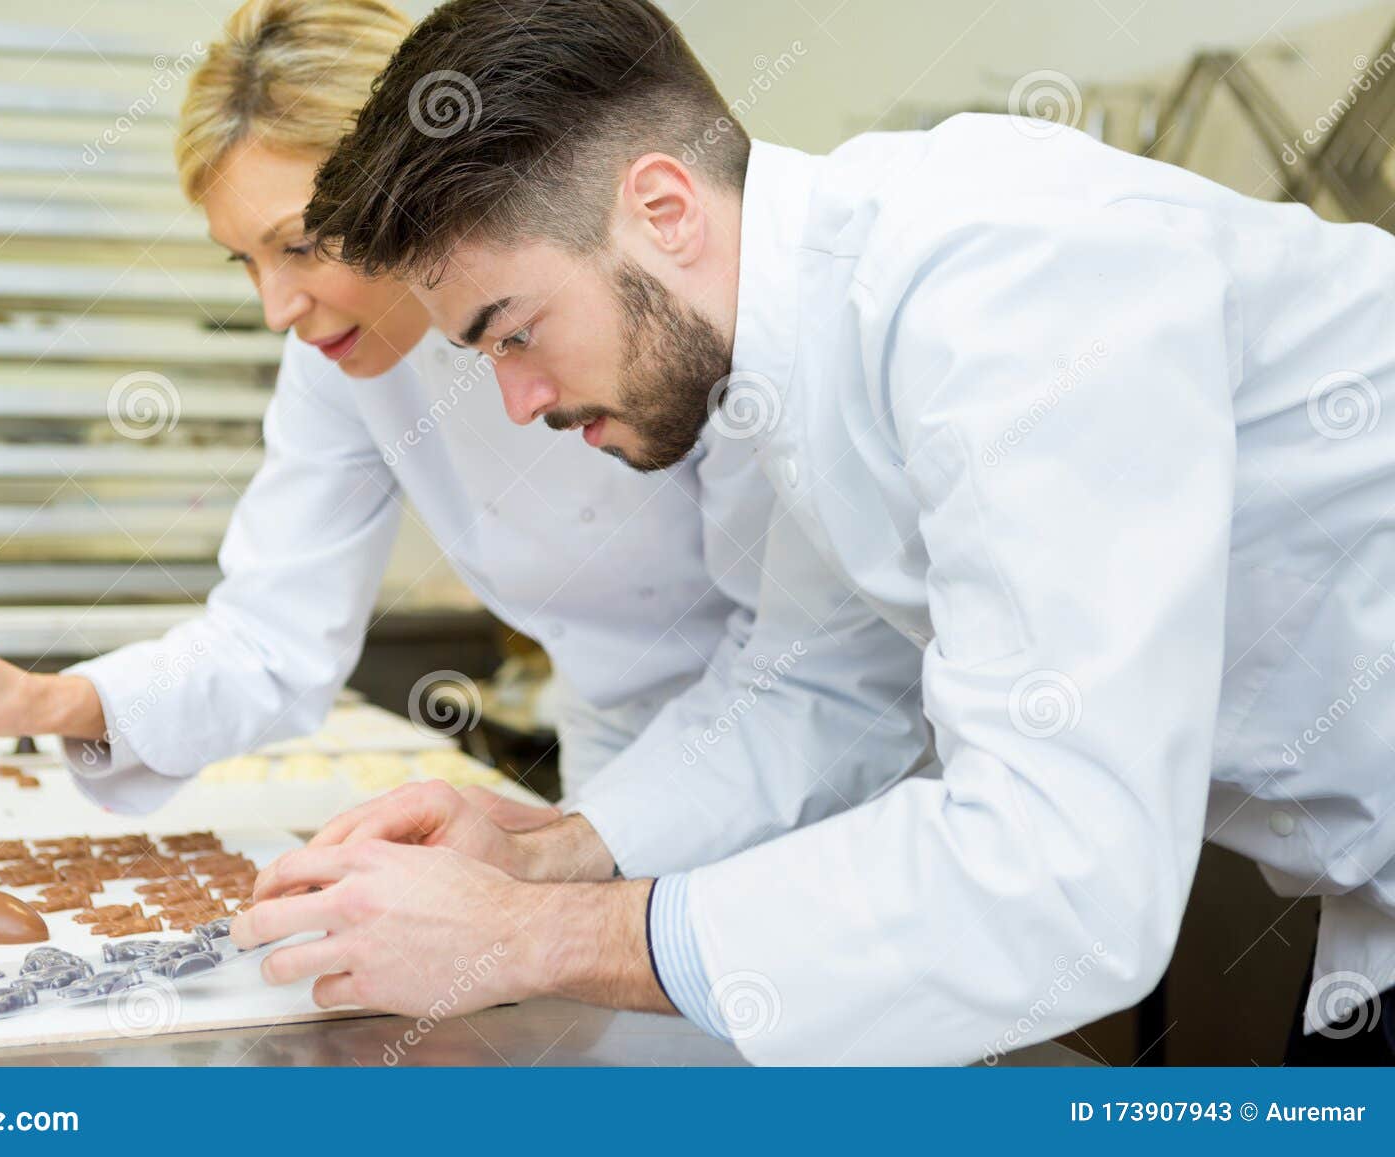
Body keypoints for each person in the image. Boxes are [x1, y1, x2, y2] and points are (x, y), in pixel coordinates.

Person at [239, 0, 1395, 1066]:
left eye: (514, 333)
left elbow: (1059, 871)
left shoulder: (1009, 281)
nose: (519, 403)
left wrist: (536, 934)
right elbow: (816, 687)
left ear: (662, 209)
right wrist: (547, 848)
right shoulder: (804, 345)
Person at [0, 0, 925, 852]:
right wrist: (49, 696)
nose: (276, 308)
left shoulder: (653, 315)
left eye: (301, 245)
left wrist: (586, 855)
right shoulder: (345, 363)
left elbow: (799, 663)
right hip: (626, 746)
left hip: (813, 759)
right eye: (244, 260)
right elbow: (270, 637)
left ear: (414, 189)